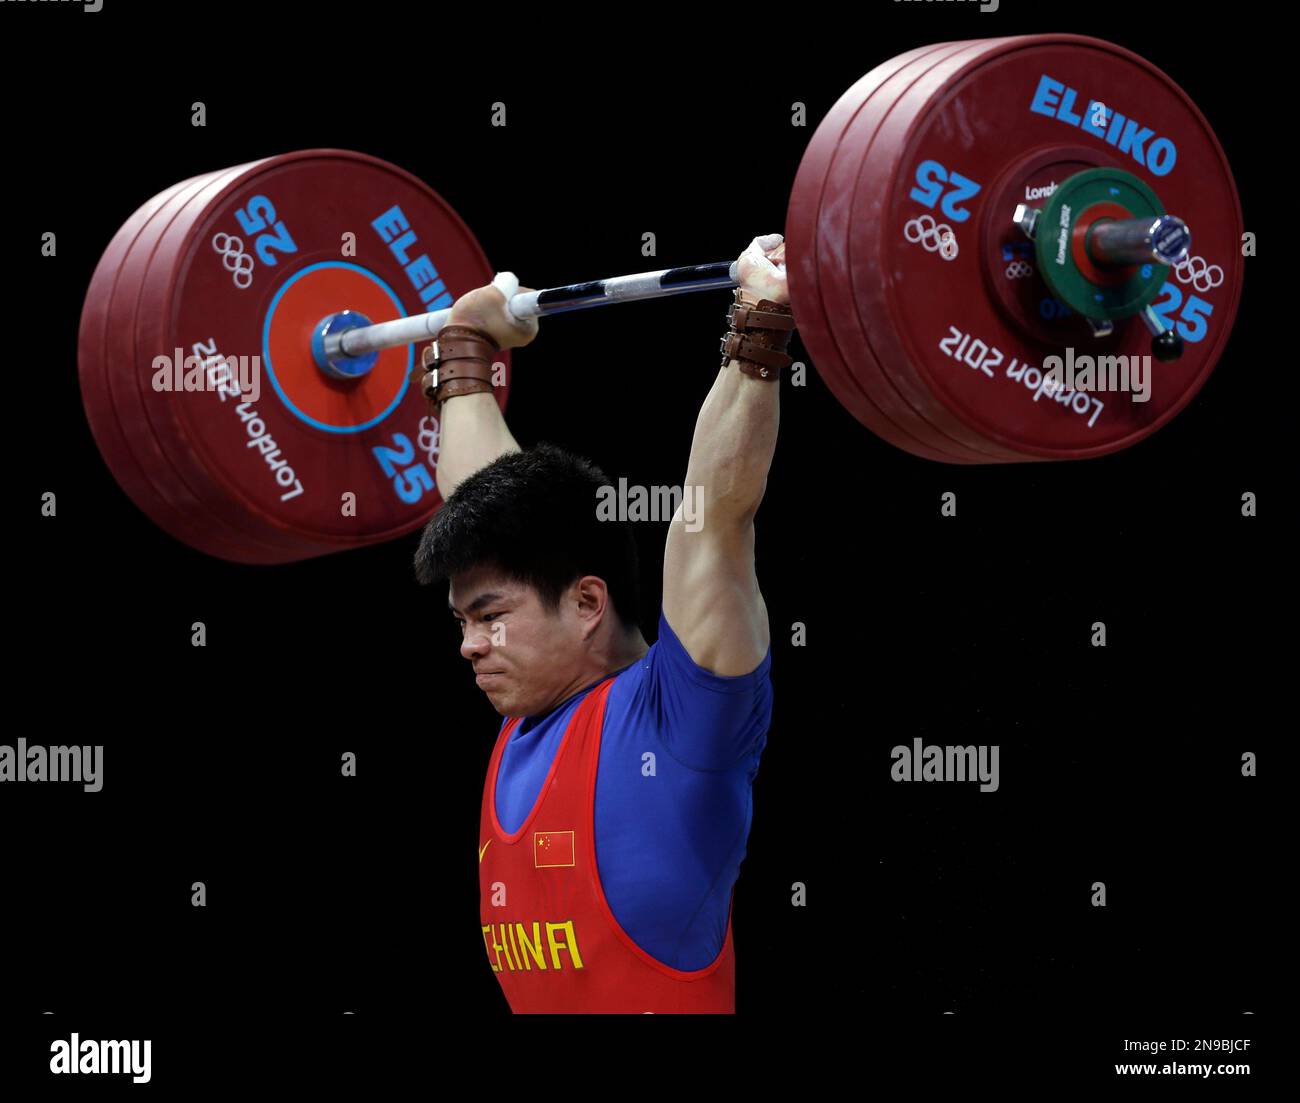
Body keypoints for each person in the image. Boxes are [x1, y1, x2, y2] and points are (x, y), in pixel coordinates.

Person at [413, 235, 795, 1013]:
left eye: (490, 618)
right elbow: (481, 493)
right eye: (462, 620)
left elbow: (713, 516)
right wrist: (465, 349)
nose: (467, 644)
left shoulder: (682, 719)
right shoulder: (529, 713)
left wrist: (760, 321)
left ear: (588, 604)